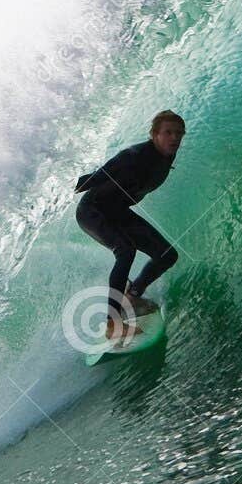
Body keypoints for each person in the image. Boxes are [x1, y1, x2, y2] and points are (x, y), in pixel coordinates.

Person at [75, 111, 185, 340]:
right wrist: (79, 182)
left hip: (117, 211)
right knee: (125, 251)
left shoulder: (167, 155)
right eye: (168, 132)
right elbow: (107, 169)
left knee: (166, 255)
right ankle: (112, 324)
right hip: (92, 211)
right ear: (154, 134)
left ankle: (132, 297)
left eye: (179, 133)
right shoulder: (136, 155)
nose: (174, 138)